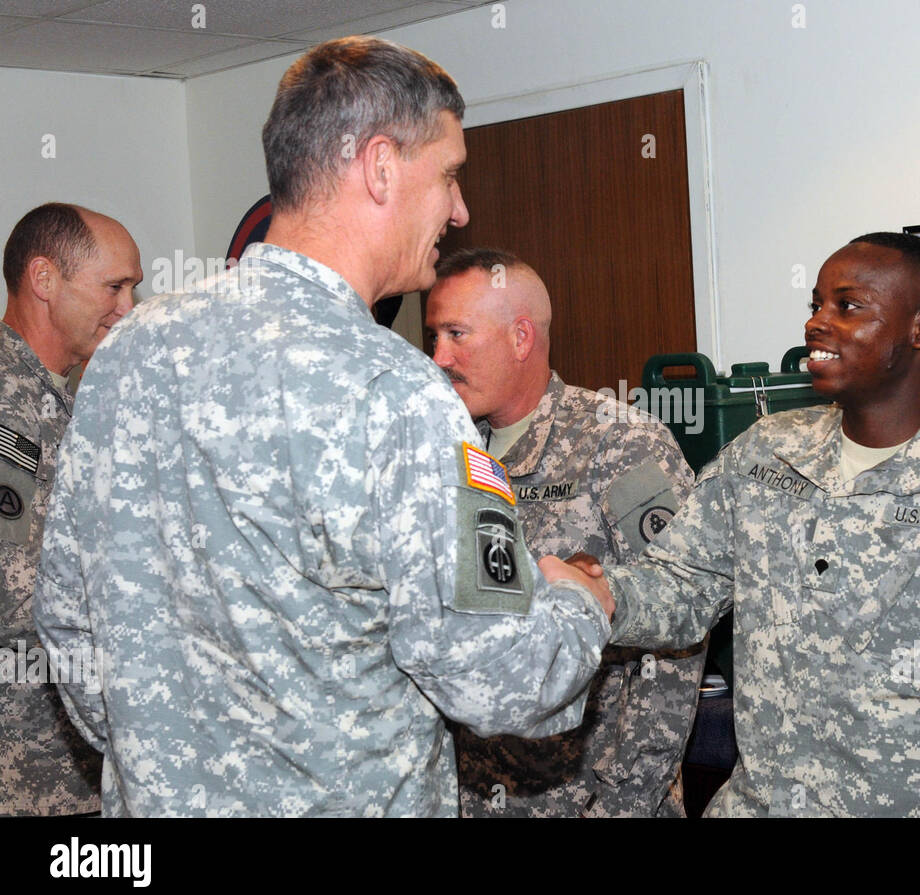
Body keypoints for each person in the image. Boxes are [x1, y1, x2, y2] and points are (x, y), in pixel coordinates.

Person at [32, 36, 613, 818]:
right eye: (447, 173)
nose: (460, 207)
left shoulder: (128, 350)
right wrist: (579, 603)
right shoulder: (397, 391)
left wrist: (166, 756)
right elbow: (501, 677)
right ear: (379, 167)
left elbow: (69, 624)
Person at [577, 232, 920, 817]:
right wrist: (602, 594)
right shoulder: (764, 455)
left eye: (847, 307)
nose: (817, 324)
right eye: (816, 305)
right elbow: (680, 586)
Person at [426, 248, 703, 817]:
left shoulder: (621, 444)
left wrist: (622, 803)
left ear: (521, 338)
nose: (438, 357)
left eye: (456, 334)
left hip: (586, 799)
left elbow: (678, 639)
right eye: (433, 336)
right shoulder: (442, 452)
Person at [0, 202, 140, 816]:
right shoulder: (10, 404)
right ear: (44, 279)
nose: (128, 309)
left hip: (65, 757)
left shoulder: (61, 397)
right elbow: (16, 589)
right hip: (25, 765)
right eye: (115, 286)